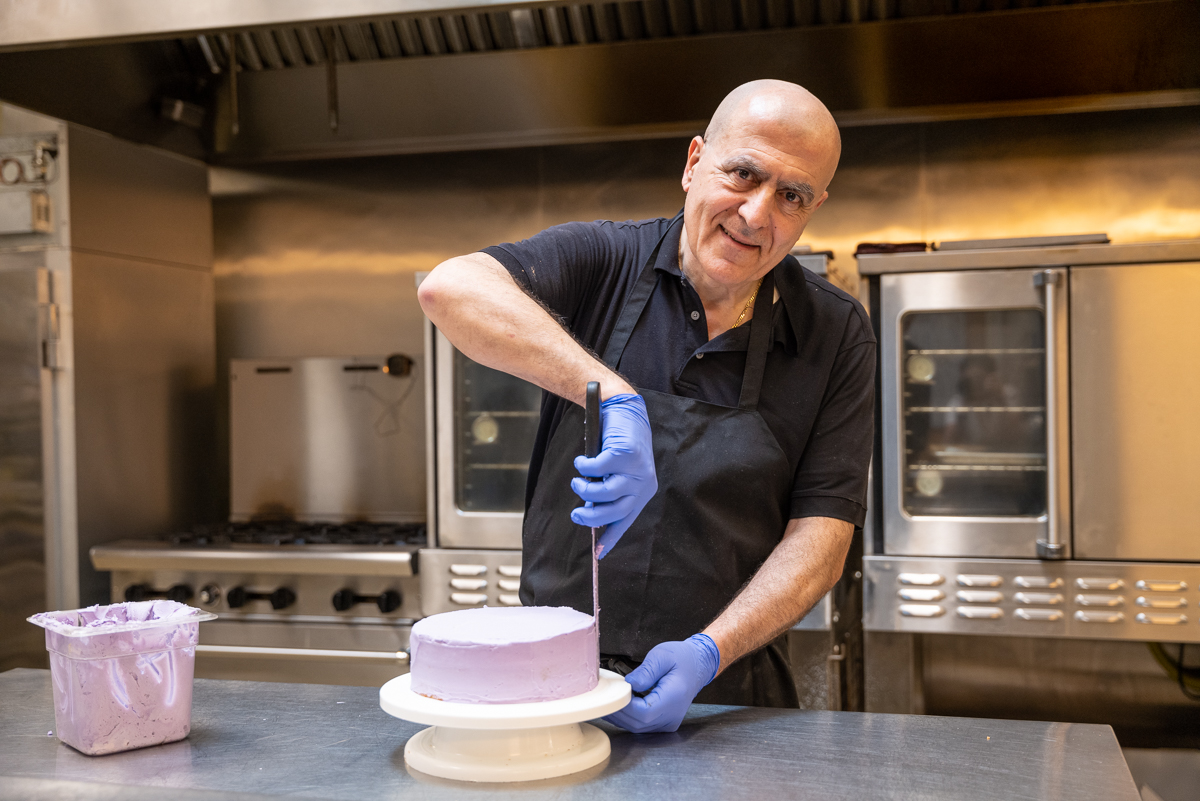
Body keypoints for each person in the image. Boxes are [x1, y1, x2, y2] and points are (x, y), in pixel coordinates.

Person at [418, 79, 875, 733]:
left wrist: (709, 652)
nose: (755, 214)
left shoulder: (835, 332)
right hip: (554, 688)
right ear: (694, 163)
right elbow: (450, 288)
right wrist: (615, 396)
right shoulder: (605, 261)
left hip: (725, 698)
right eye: (743, 174)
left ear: (814, 207)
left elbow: (822, 539)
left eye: (791, 195)